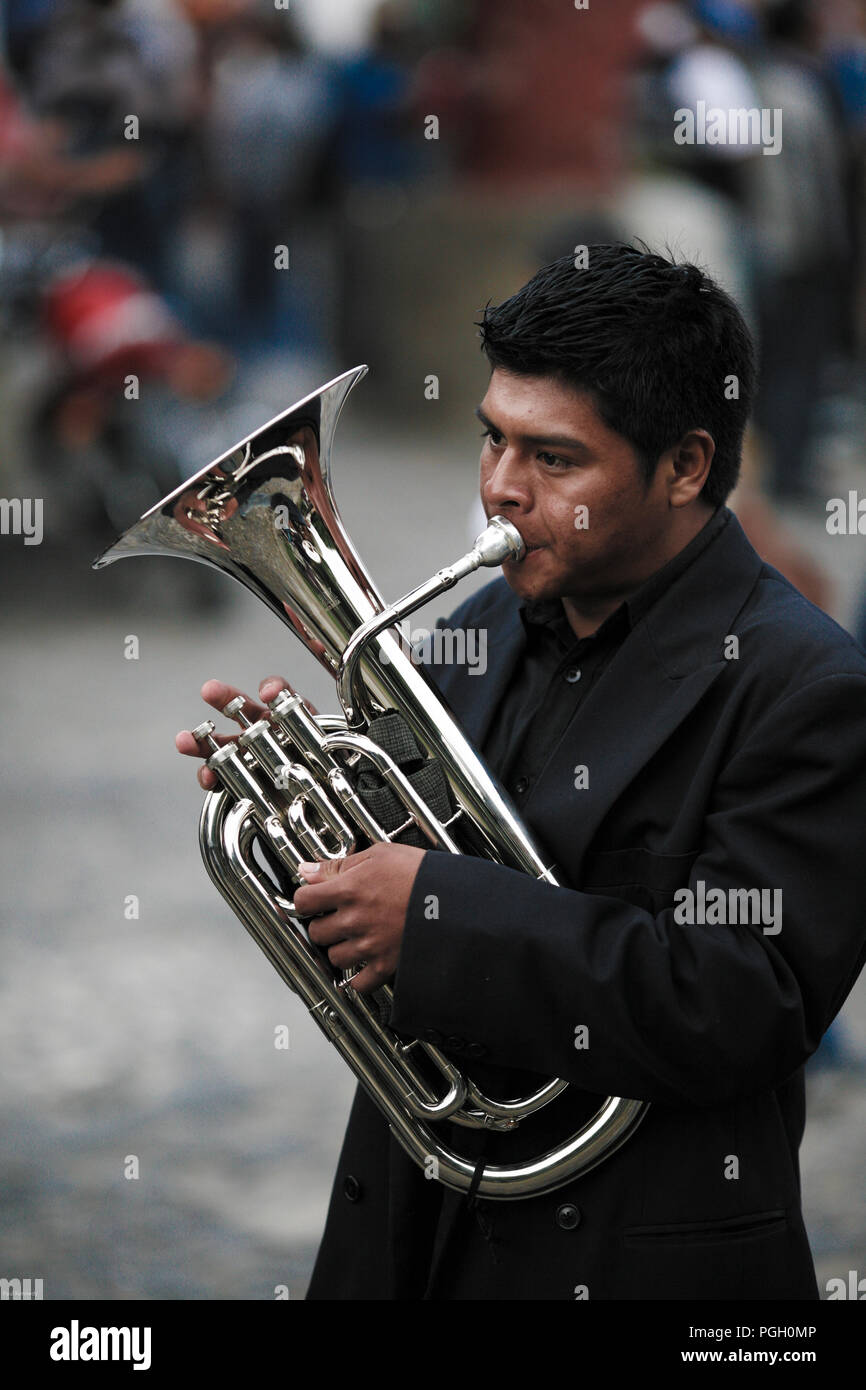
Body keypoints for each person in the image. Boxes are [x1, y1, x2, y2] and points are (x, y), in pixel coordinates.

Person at [177, 245, 866, 1300]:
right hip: (414, 1234)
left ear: (682, 466)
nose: (499, 488)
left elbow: (743, 1001)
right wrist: (296, 802)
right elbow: (413, 857)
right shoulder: (484, 619)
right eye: (491, 439)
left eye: (553, 460)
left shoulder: (802, 683)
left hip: (635, 1256)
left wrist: (437, 916)